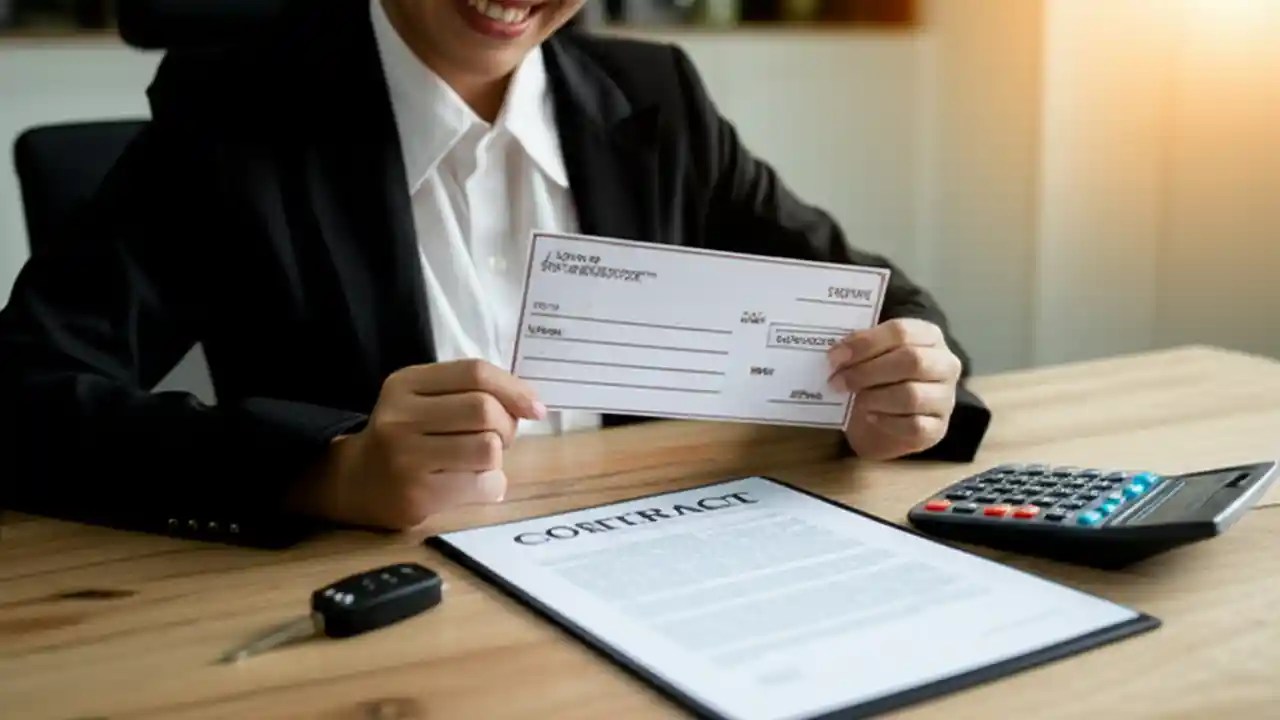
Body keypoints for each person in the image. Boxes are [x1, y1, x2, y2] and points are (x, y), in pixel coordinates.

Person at [0, 0, 990, 547]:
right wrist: (325, 471)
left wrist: (912, 372)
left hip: (648, 573)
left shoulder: (653, 100)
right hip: (375, 624)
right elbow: (25, 395)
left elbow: (862, 291)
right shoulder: (235, 113)